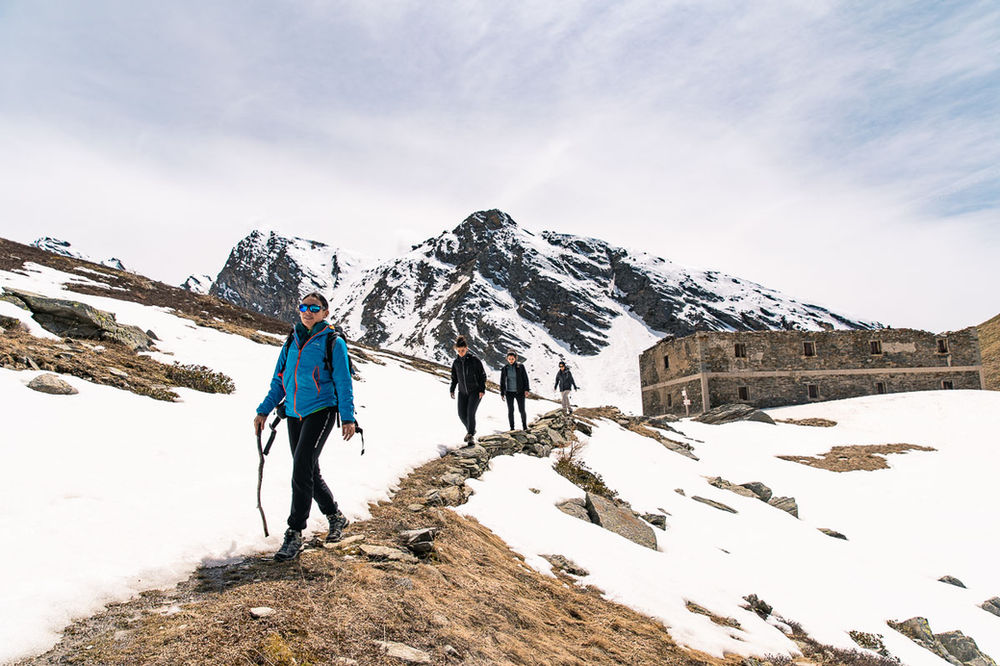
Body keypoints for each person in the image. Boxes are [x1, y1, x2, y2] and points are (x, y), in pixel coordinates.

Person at [253, 292, 356, 562]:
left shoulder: (333, 342)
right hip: (294, 412)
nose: (307, 312)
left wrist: (347, 417)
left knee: (301, 469)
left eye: (314, 308)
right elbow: (280, 380)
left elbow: (344, 382)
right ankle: (336, 517)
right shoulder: (291, 340)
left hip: (321, 410)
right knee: (308, 469)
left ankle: (294, 532)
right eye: (303, 307)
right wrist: (264, 409)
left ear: (325, 312)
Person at [449, 335, 486, 444]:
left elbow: (482, 375)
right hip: (462, 392)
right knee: (461, 414)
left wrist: (482, 389)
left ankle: (470, 436)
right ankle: (471, 430)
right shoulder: (456, 363)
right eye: (459, 351)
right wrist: (452, 389)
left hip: (475, 391)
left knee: (470, 413)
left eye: (463, 350)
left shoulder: (474, 360)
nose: (461, 353)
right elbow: (454, 378)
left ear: (467, 348)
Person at [499, 350, 530, 430]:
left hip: (519, 392)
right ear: (507, 359)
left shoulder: (520, 367)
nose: (511, 360)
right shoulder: (505, 368)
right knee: (511, 410)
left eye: (512, 359)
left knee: (522, 410)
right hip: (509, 393)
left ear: (515, 358)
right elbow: (502, 381)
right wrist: (502, 393)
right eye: (509, 359)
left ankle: (524, 426)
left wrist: (526, 389)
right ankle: (512, 428)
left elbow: (525, 378)